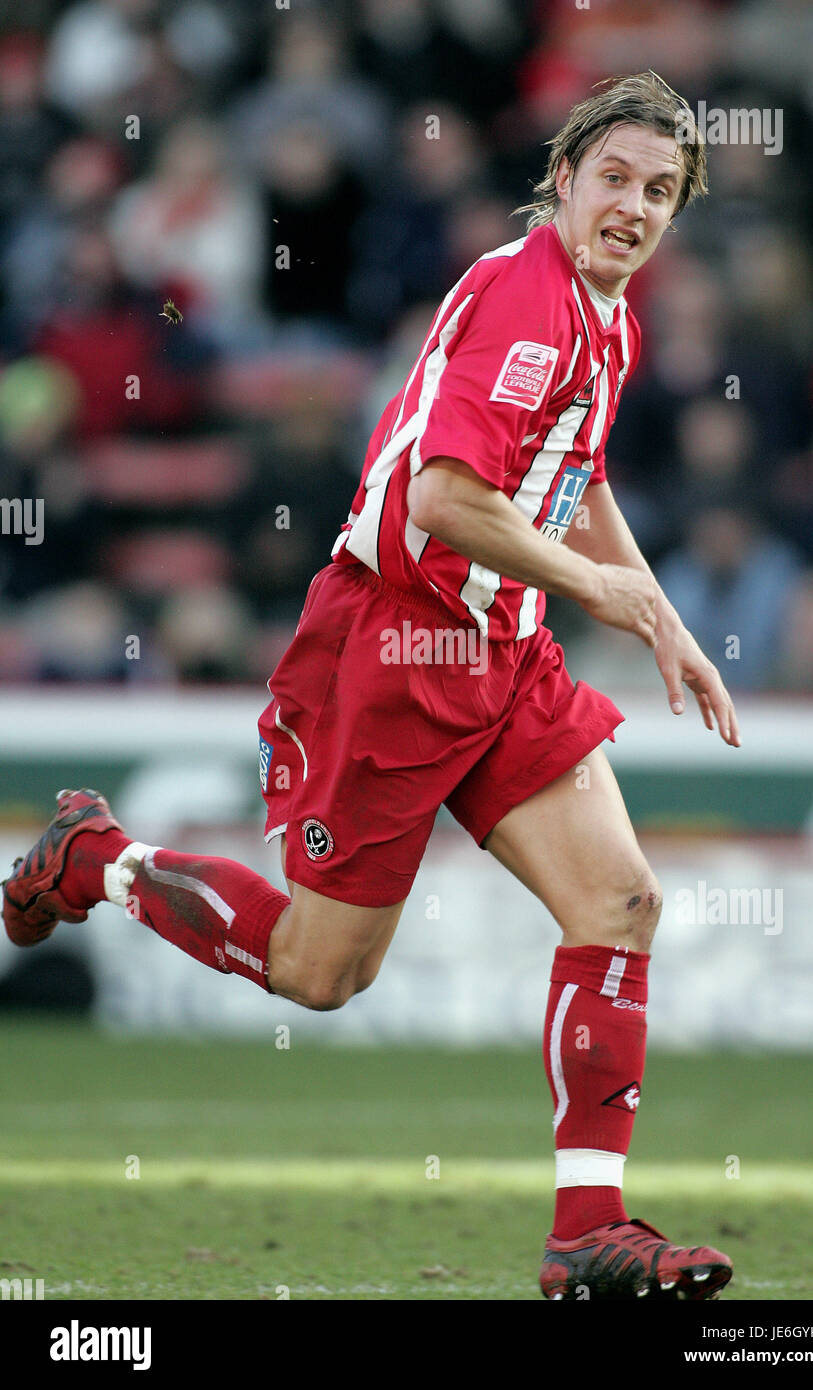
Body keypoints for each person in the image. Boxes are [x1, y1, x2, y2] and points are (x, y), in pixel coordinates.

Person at [3, 71, 740, 1301]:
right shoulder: (527, 299)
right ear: (561, 179)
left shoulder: (608, 313)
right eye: (612, 177)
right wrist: (602, 595)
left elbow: (574, 470)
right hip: (395, 648)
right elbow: (440, 498)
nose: (633, 205)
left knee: (617, 903)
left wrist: (656, 608)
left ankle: (585, 1236)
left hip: (499, 651)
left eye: (659, 190)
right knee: (317, 973)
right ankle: (98, 859)